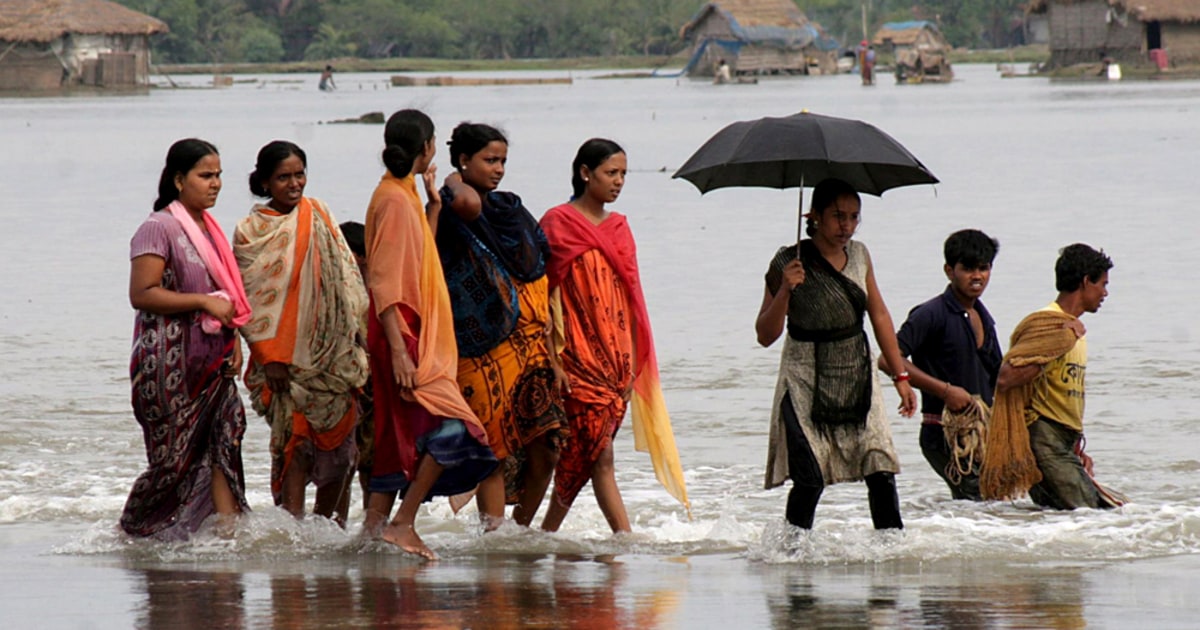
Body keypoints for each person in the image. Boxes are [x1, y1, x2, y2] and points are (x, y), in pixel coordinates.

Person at [362, 109, 497, 560]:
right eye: (433, 142)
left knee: (396, 432)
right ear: (426, 148)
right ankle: (403, 524)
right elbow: (384, 279)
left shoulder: (399, 194)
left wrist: (433, 208)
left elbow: (420, 259)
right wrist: (400, 352)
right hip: (401, 331)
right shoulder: (393, 200)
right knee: (456, 428)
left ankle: (371, 535)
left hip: (401, 329)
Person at [539, 138, 689, 533]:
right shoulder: (556, 224)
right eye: (611, 173)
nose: (619, 181)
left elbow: (633, 300)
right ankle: (623, 540)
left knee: (590, 454)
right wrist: (552, 361)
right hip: (575, 360)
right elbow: (541, 298)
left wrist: (634, 362)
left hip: (616, 362)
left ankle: (542, 537)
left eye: (623, 173)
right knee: (598, 455)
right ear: (585, 173)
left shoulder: (621, 228)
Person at [756, 178, 916, 531]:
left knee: (880, 468)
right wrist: (785, 289)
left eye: (854, 217)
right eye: (837, 216)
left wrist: (901, 376)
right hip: (804, 377)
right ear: (813, 216)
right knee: (810, 478)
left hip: (856, 372)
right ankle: (791, 551)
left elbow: (879, 314)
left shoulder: (859, 254)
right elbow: (765, 335)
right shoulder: (787, 262)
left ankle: (891, 548)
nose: (846, 226)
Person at [121, 138, 253, 540]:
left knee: (226, 441)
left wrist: (236, 342)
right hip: (168, 369)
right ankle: (136, 533)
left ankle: (227, 537)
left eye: (219, 175)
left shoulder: (210, 230)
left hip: (213, 364)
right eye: (205, 175)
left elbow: (226, 296)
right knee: (172, 465)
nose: (215, 184)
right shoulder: (157, 228)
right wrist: (201, 302)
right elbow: (141, 293)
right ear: (179, 180)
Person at [437, 122, 566, 528]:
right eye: (490, 160)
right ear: (463, 160)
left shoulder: (510, 209)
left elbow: (538, 264)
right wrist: (452, 179)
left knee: (548, 444)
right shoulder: (450, 208)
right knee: (493, 450)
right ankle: (493, 536)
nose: (498, 169)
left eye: (503, 161)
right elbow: (466, 206)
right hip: (483, 348)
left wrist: (553, 348)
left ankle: (520, 532)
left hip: (532, 345)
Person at [233, 141, 369, 526]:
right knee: (295, 448)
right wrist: (269, 358)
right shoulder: (250, 232)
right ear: (264, 182)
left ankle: (331, 532)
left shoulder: (319, 213)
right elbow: (251, 301)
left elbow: (344, 279)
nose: (294, 184)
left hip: (332, 358)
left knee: (342, 454)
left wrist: (355, 337)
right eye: (283, 177)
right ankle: (291, 534)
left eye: (299, 174)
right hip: (284, 364)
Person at [981, 244, 1122, 510]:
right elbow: (1005, 378)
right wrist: (1057, 344)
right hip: (1044, 439)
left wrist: (1077, 449)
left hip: (1063, 442)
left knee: (1077, 516)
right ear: (1086, 281)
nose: (1105, 293)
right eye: (1103, 284)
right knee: (1089, 515)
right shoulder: (1048, 324)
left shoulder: (1073, 330)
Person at [882, 230, 1002, 500]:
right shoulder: (930, 314)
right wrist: (946, 391)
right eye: (968, 269)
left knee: (987, 507)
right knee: (979, 501)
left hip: (983, 434)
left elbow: (998, 376)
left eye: (983, 268)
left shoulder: (984, 317)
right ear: (949, 270)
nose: (977, 276)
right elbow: (888, 359)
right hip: (943, 432)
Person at [339, 220, 376, 511]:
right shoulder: (342, 288)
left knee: (370, 461)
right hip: (349, 380)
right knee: (346, 461)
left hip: (372, 381)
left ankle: (369, 523)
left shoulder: (374, 287)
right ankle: (340, 522)